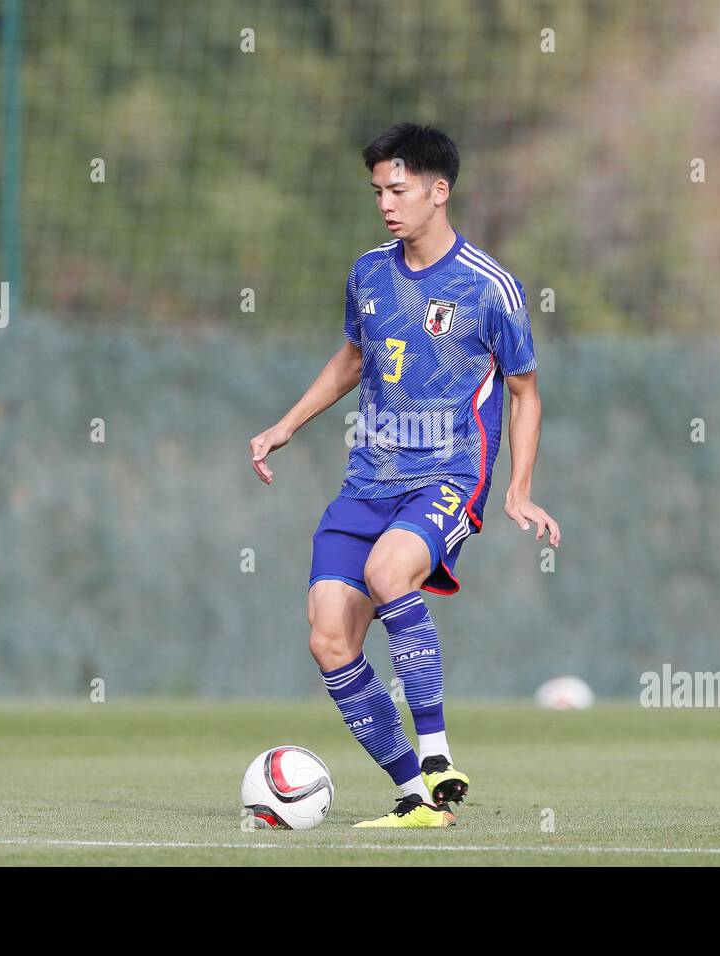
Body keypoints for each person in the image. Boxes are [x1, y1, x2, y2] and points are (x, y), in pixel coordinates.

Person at [249, 123, 561, 828]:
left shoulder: (491, 287)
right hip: (368, 480)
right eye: (378, 191)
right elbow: (353, 358)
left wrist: (517, 487)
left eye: (399, 189)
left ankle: (438, 755)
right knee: (329, 638)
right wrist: (287, 425)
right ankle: (418, 799)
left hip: (448, 473)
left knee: (393, 574)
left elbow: (525, 391)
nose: (386, 203)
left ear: (438, 190)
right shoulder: (368, 272)